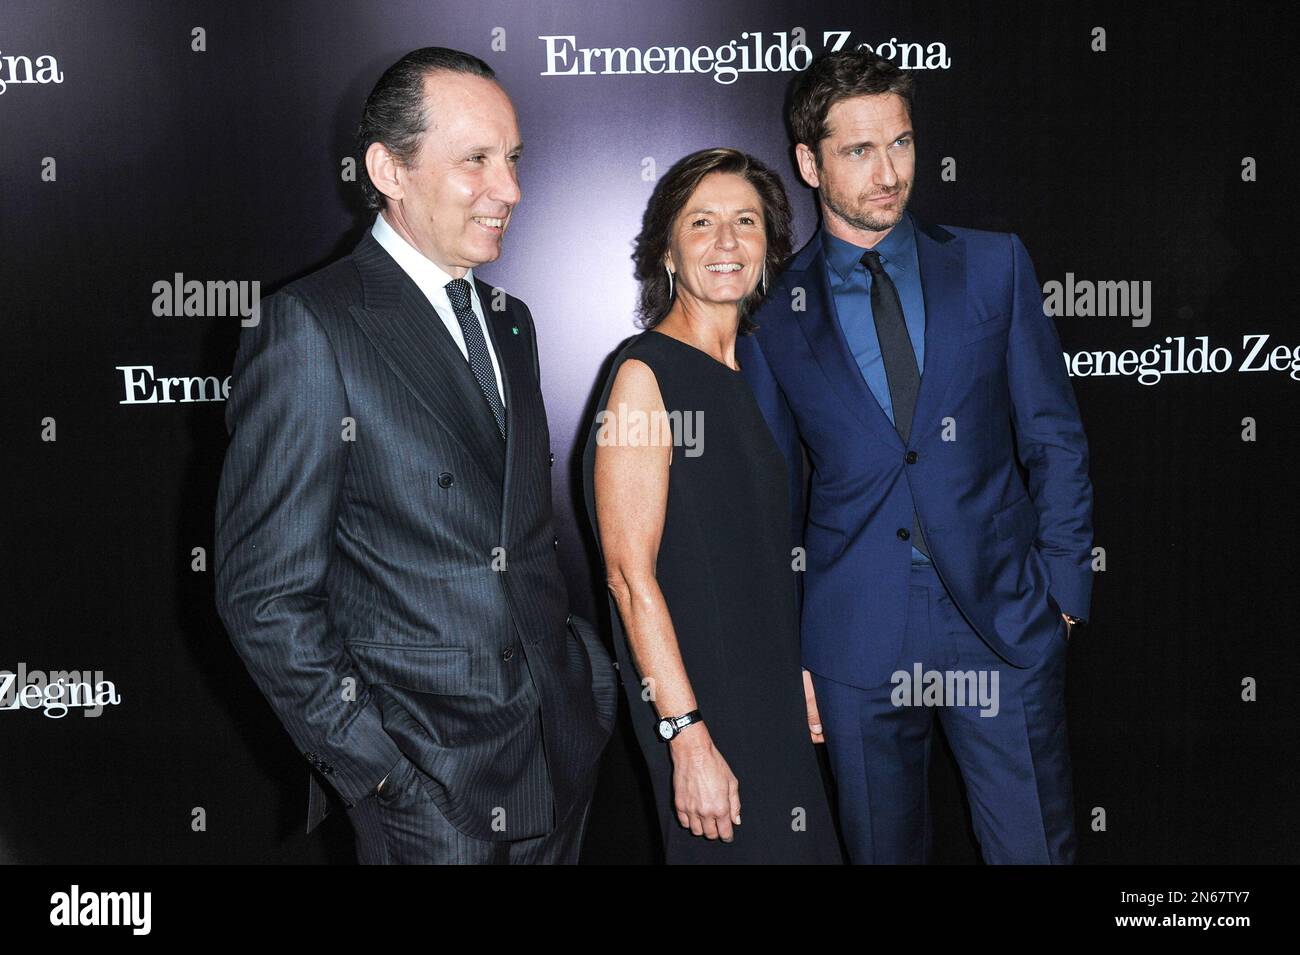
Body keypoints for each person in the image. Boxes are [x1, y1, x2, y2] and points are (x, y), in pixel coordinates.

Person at [214, 47, 616, 864]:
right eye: (476, 161)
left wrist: (586, 680)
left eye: (512, 159)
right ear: (388, 170)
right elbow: (263, 597)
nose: (510, 189)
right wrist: (381, 774)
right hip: (429, 793)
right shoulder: (313, 327)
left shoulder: (512, 321)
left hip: (559, 754)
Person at [739, 49, 1094, 864]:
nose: (888, 171)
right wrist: (791, 656)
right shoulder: (773, 313)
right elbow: (770, 504)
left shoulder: (993, 264)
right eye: (859, 150)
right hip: (855, 641)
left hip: (1003, 624)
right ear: (809, 162)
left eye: (899, 142)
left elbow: (1055, 438)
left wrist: (1064, 596)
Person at [582, 148, 842, 864]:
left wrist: (798, 673)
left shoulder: (749, 372)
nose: (727, 243)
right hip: (704, 708)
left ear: (769, 245)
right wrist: (687, 736)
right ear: (668, 248)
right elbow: (630, 579)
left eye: (746, 221)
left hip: (770, 698)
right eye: (702, 223)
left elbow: (752, 559)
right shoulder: (643, 374)